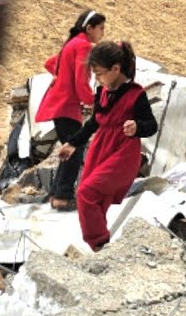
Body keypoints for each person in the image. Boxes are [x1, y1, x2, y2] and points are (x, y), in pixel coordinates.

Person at [57, 40, 157, 251]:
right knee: (97, 201)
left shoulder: (136, 95)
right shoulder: (102, 93)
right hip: (101, 149)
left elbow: (151, 125)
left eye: (100, 73)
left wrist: (137, 126)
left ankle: (99, 243)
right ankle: (101, 249)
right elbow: (94, 122)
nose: (97, 79)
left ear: (116, 69)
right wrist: (72, 143)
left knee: (86, 192)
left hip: (123, 152)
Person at [36, 10, 106, 210]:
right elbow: (80, 80)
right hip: (67, 105)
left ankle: (56, 193)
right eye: (101, 28)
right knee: (75, 150)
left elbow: (51, 63)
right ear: (89, 28)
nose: (103, 33)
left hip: (59, 102)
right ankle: (62, 197)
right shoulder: (83, 45)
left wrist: (61, 77)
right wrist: (92, 101)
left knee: (69, 149)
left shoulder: (72, 43)